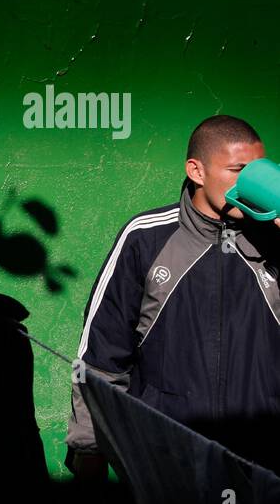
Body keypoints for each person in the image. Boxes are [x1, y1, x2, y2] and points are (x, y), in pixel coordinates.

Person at [67, 115, 280, 478]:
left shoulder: (274, 242)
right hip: (167, 459)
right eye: (236, 170)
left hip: (262, 462)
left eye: (256, 170)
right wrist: (88, 447)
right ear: (197, 171)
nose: (248, 181)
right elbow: (102, 354)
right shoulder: (145, 237)